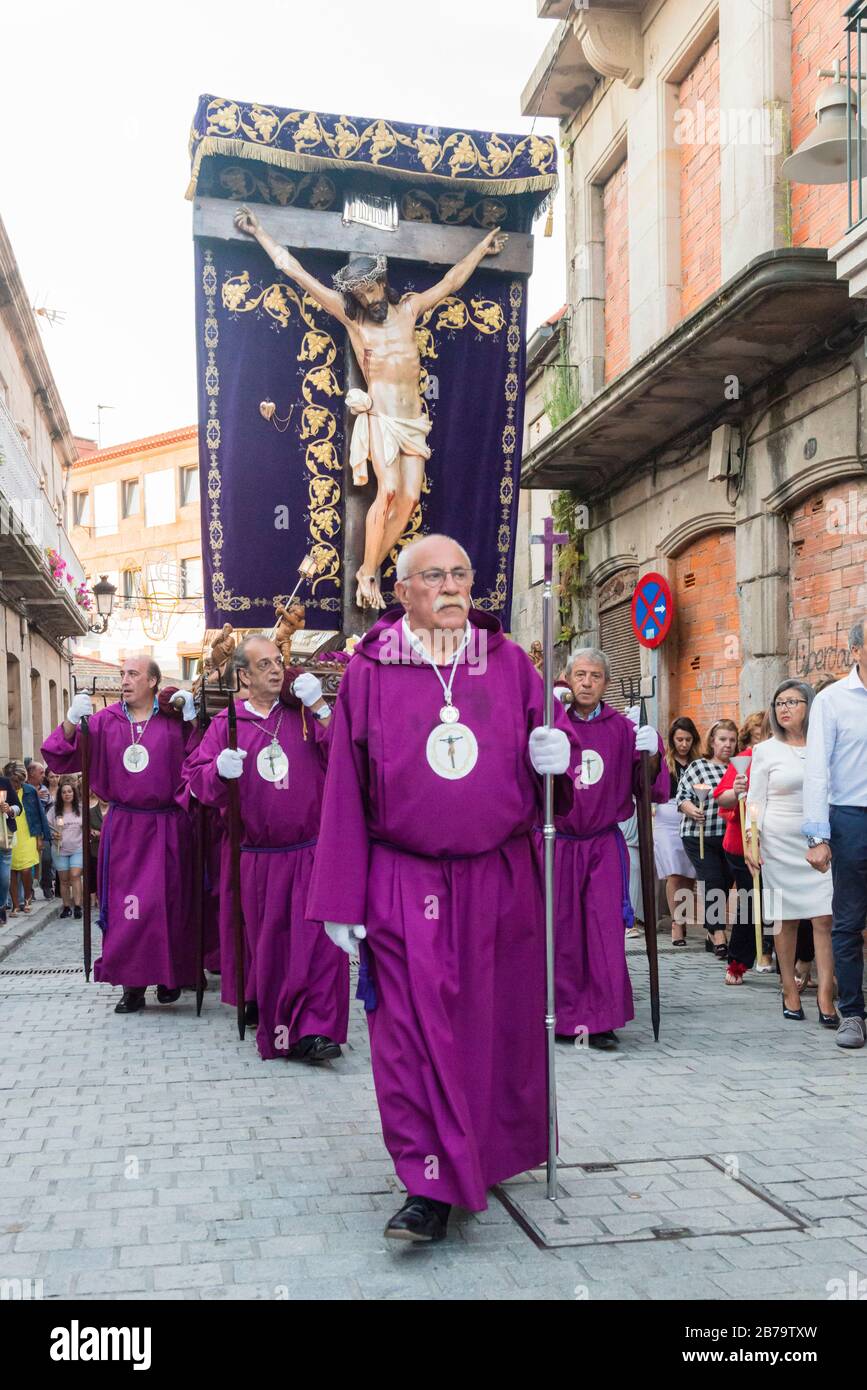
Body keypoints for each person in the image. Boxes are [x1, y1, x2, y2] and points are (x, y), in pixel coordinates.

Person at [306, 534, 578, 1242]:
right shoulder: (369, 671)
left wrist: (556, 763)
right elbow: (344, 788)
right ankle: (427, 1184)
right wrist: (340, 899)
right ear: (402, 593)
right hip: (403, 877)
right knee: (409, 1030)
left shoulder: (509, 663)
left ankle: (480, 1155)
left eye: (462, 572)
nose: (452, 585)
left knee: (494, 1023)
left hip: (500, 875)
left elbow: (546, 780)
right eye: (434, 575)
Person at [233, 205, 507, 608]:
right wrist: (260, 232)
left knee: (411, 498)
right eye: (360, 294)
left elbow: (450, 282)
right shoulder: (354, 322)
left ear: (383, 283)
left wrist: (481, 250)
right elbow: (297, 273)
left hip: (413, 420)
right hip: (381, 417)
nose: (368, 298)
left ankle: (367, 567)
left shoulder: (410, 310)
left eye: (372, 290)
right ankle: (369, 572)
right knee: (390, 489)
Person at [182, 636, 348, 1063]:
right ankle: (281, 1030)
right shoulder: (227, 724)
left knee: (319, 947)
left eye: (279, 662)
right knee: (272, 950)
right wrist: (218, 771)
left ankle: (316, 1030)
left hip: (311, 853)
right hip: (257, 857)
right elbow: (196, 782)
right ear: (243, 676)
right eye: (264, 665)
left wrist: (323, 709)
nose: (276, 670)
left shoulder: (304, 717)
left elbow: (346, 757)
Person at [42, 656, 199, 1014]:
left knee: (166, 903)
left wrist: (192, 721)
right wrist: (70, 722)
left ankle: (169, 976)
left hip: (167, 825)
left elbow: (199, 755)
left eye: (133, 674)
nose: (125, 680)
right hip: (125, 826)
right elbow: (59, 758)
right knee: (128, 907)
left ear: (154, 682)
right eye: (122, 674)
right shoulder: (103, 722)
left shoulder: (172, 721)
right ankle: (132, 985)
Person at [551, 651, 667, 1050]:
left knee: (604, 933)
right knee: (562, 932)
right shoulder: (550, 725)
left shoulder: (622, 728)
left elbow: (649, 787)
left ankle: (600, 1021)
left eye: (595, 676)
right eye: (579, 674)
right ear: (567, 678)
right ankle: (563, 1018)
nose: (586, 682)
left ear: (606, 682)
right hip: (558, 846)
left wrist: (652, 754)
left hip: (601, 845)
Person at [743, 681, 834, 1025]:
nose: (784, 708)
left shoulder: (824, 745)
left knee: (824, 917)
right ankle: (788, 988)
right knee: (786, 919)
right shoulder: (766, 750)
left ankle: (826, 995)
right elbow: (755, 800)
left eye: (792, 702)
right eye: (779, 702)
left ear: (809, 706)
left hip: (818, 839)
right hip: (778, 841)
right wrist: (752, 842)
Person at [803, 618, 867, 1048]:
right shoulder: (833, 701)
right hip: (851, 818)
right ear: (856, 650)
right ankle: (853, 1014)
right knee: (847, 920)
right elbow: (816, 770)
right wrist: (817, 835)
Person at [713, 711, 774, 985]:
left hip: (780, 842)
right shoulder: (748, 757)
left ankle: (792, 960)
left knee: (782, 902)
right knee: (751, 901)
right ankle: (738, 962)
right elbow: (722, 798)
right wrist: (737, 790)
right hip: (743, 844)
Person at [676, 719, 738, 958]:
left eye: (732, 740)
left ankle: (712, 932)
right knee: (711, 879)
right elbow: (682, 796)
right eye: (723, 739)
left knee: (724, 883)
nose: (727, 745)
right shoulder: (698, 766)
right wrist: (691, 809)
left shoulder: (737, 767)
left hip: (728, 836)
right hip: (698, 835)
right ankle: (718, 931)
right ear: (712, 741)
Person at [654, 717, 700, 946]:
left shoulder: (698, 763)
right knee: (674, 872)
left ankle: (683, 918)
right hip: (667, 819)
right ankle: (676, 923)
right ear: (672, 740)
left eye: (688, 740)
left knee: (689, 873)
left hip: (691, 818)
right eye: (679, 739)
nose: (683, 744)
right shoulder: (664, 761)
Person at [4, 760, 50, 915]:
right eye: (12, 781)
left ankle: (28, 899)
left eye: (17, 781)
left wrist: (40, 838)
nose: (15, 785)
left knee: (25, 870)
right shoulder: (3, 792)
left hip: (28, 833)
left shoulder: (29, 790)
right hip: (10, 832)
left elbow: (38, 814)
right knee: (11, 870)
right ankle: (16, 904)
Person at [47, 776, 84, 920]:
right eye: (64, 792)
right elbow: (48, 826)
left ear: (74, 793)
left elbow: (87, 827)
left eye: (69, 792)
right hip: (59, 849)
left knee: (75, 875)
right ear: (60, 795)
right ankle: (66, 906)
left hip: (77, 848)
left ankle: (78, 906)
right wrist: (53, 835)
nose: (67, 794)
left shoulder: (80, 809)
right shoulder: (54, 811)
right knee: (63, 880)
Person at [27, 762, 55, 901]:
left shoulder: (45, 790)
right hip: (28, 829)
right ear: (31, 773)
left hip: (44, 829)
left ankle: (46, 885)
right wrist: (33, 796)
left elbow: (49, 809)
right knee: (29, 861)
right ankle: (29, 890)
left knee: (47, 858)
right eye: (41, 772)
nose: (43, 775)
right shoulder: (23, 789)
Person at [0, 767, 24, 925]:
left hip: (4, 837)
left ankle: (1, 904)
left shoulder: (4, 783)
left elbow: (18, 807)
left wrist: (9, 809)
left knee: (4, 878)